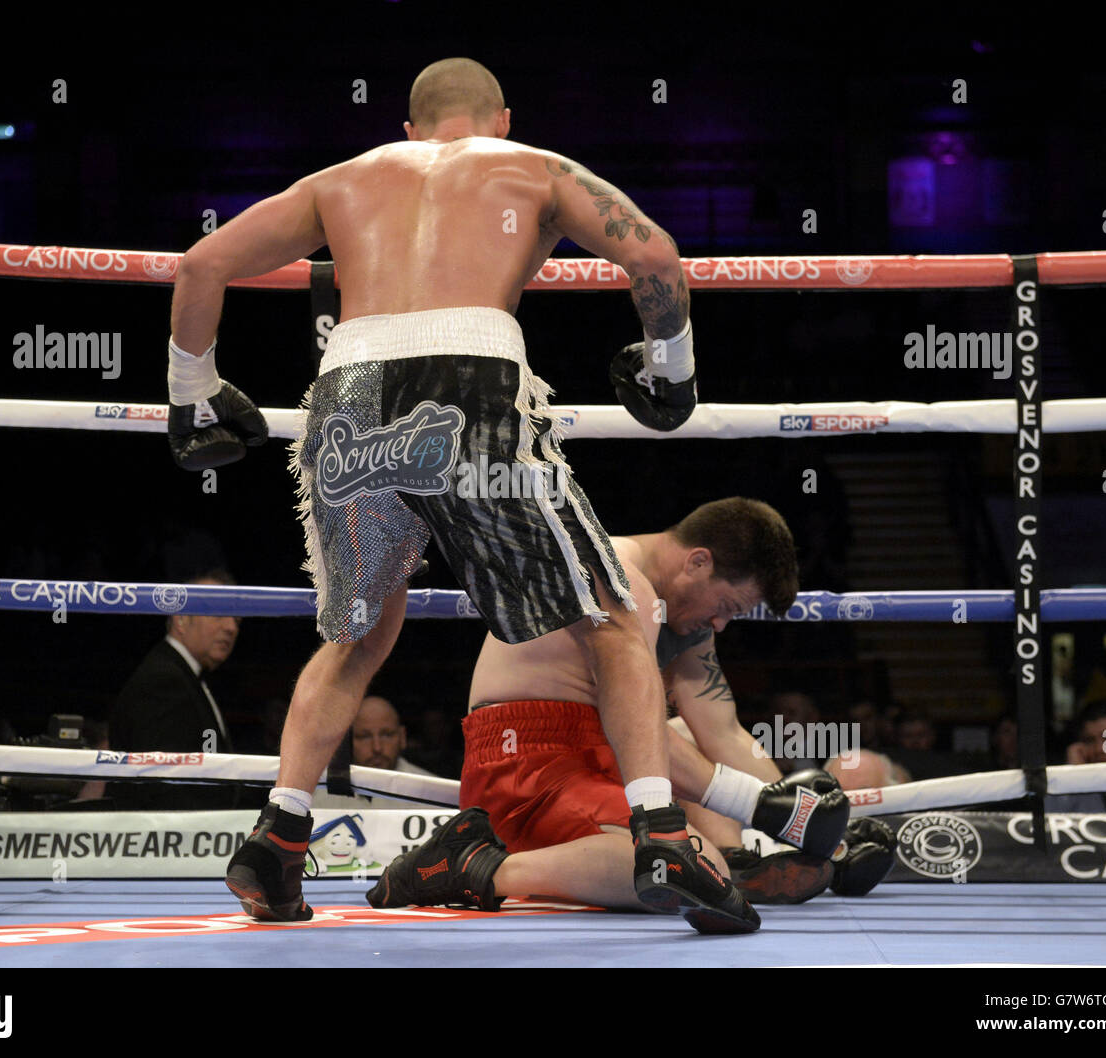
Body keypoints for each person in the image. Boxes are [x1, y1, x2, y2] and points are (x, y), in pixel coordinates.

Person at [168, 58, 753, 931]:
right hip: (468, 378)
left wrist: (194, 397)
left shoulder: (345, 178)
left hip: (349, 386)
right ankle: (660, 831)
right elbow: (656, 255)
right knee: (609, 613)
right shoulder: (533, 167)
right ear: (501, 120)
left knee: (358, 633)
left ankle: (279, 832)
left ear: (408, 131)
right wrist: (671, 374)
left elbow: (202, 265)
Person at [368, 498, 886, 919]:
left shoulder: (684, 620)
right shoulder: (618, 578)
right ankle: (471, 865)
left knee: (684, 739)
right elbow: (636, 732)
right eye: (726, 607)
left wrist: (799, 823)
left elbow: (722, 732)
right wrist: (760, 806)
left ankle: (738, 861)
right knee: (681, 861)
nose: (722, 625)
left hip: (590, 753)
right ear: (698, 561)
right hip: (527, 761)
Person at [107, 570, 240, 809]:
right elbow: (163, 785)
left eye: (237, 619)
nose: (231, 627)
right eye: (219, 614)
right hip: (175, 836)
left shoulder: (182, 675)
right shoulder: (164, 680)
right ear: (181, 620)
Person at [313, 695, 438, 810]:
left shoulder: (434, 795)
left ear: (402, 737)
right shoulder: (317, 796)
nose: (377, 747)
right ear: (348, 742)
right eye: (364, 736)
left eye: (387, 735)